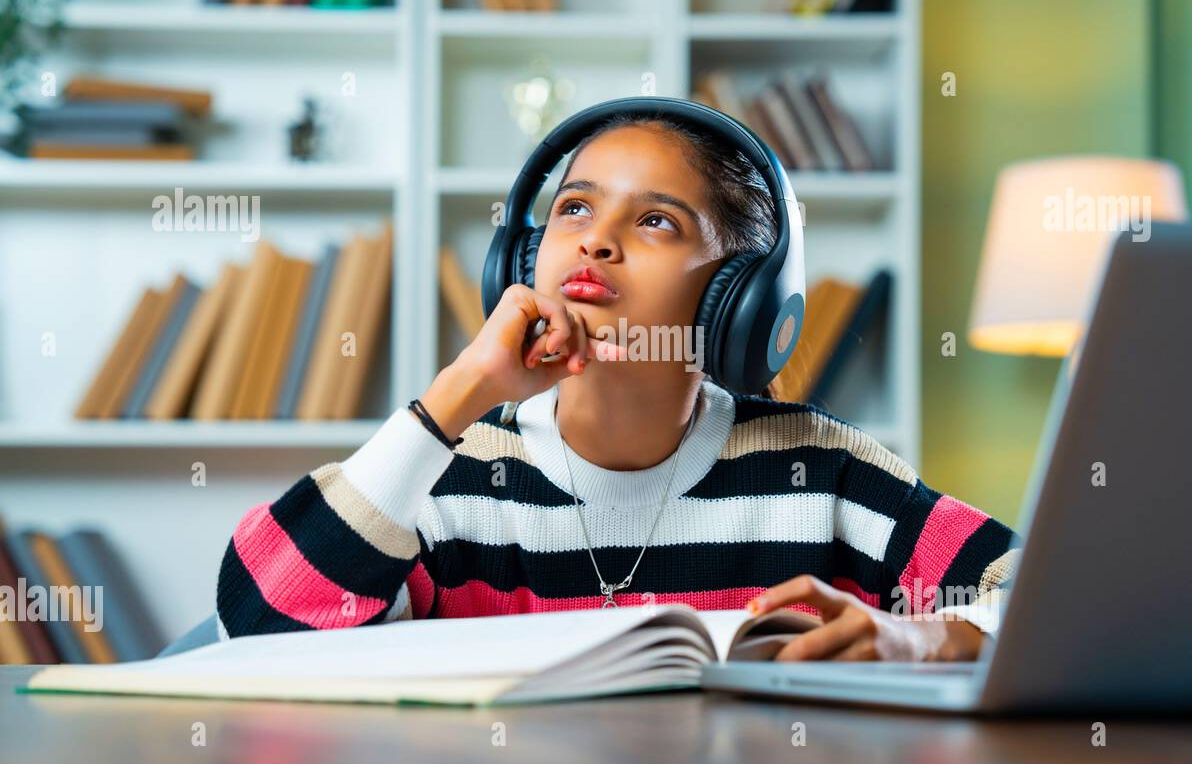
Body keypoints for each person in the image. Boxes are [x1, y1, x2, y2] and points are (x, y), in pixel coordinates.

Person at [217, 111, 1020, 662]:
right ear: (522, 258)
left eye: (656, 221)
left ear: (738, 296)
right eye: (573, 208)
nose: (596, 240)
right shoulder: (451, 479)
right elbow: (258, 621)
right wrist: (460, 391)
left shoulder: (824, 473)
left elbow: (1048, 599)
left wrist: (924, 638)